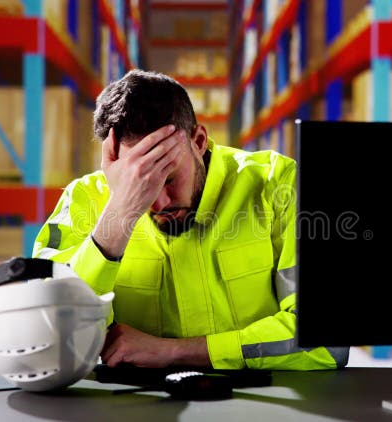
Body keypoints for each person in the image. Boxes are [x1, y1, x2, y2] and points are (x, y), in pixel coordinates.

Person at [32, 69, 348, 370]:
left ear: (197, 141)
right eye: (138, 182)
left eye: (167, 178)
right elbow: (44, 342)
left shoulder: (278, 184)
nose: (159, 203)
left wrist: (172, 352)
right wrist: (119, 215)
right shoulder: (82, 202)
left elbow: (327, 345)